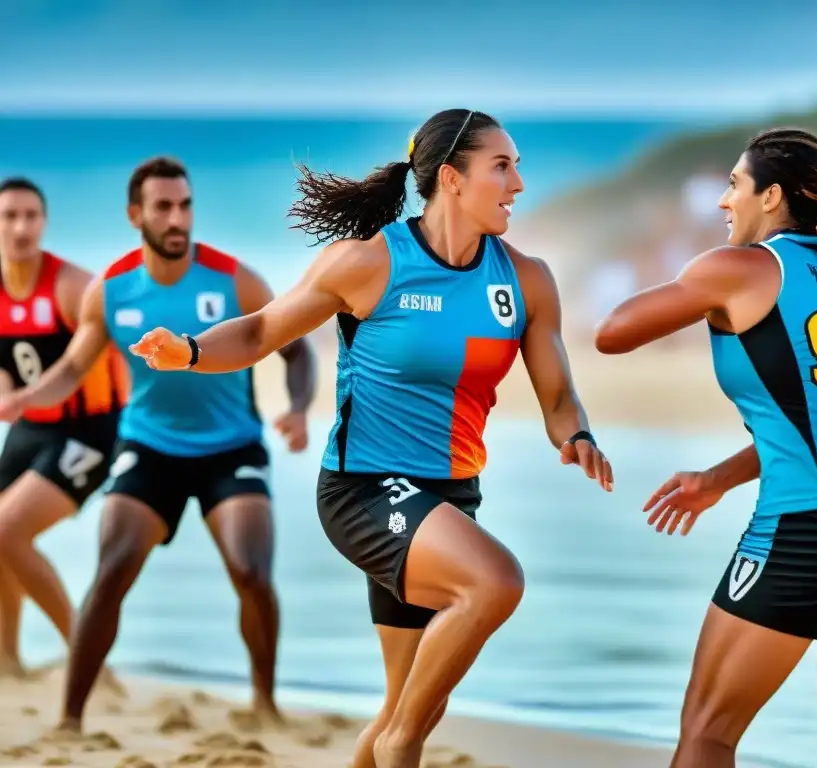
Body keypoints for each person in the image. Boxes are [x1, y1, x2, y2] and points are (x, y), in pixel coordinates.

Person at [129, 108, 613, 768]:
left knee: (402, 704)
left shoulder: (525, 280)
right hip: (365, 490)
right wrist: (187, 349)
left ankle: (393, 738)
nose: (518, 185)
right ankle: (401, 741)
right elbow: (260, 332)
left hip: (451, 497)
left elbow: (557, 394)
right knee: (495, 585)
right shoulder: (370, 263)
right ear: (451, 178)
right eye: (502, 166)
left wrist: (577, 433)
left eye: (518, 168)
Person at [595, 128, 817, 768]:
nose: (724, 202)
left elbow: (612, 333)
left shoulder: (742, 267)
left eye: (734, 185)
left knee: (707, 730)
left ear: (772, 196)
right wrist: (720, 478)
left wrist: (703, 283)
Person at [0, 157, 317, 730]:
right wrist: (25, 400)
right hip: (148, 447)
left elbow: (295, 349)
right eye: (164, 207)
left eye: (185, 205)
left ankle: (265, 704)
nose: (178, 219)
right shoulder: (111, 291)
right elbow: (73, 367)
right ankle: (71, 718)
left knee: (251, 571)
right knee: (114, 567)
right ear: (135, 215)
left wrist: (296, 409)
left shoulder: (234, 279)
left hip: (231, 449)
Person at [0, 177, 128, 677]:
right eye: (10, 216)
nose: (21, 226)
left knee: (8, 532)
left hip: (91, 431)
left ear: (45, 222)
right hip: (33, 428)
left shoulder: (72, 287)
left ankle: (87, 662)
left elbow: (115, 354)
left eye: (31, 215)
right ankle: (8, 662)